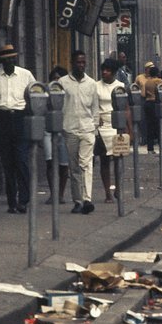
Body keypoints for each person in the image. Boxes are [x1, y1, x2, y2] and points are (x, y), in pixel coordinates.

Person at [0, 44, 35, 214]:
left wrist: (34, 122)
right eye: (5, 59)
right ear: (1, 61)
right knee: (7, 163)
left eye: (11, 58)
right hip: (1, 119)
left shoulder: (26, 75)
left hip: (20, 118)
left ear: (15, 59)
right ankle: (12, 201)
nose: (9, 61)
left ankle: (24, 200)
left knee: (21, 160)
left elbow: (36, 97)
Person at [60, 51, 99, 214]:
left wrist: (94, 128)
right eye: (78, 62)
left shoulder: (91, 84)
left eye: (83, 63)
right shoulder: (62, 82)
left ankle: (87, 199)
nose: (81, 65)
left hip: (87, 129)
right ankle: (77, 201)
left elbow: (95, 108)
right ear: (72, 63)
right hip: (70, 129)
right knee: (74, 167)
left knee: (86, 164)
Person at [95, 58, 128, 203]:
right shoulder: (96, 86)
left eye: (108, 70)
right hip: (102, 125)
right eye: (103, 70)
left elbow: (126, 108)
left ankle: (119, 188)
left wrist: (129, 129)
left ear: (113, 72)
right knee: (104, 160)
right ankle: (107, 192)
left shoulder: (120, 86)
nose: (104, 73)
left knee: (118, 159)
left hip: (117, 124)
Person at [43, 66, 69, 204]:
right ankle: (53, 193)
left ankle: (61, 194)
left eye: (59, 79)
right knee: (50, 161)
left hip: (63, 130)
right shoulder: (45, 94)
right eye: (54, 79)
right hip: (48, 130)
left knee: (64, 164)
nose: (56, 82)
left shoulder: (68, 94)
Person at [143, 66, 162, 153]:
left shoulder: (147, 82)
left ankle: (150, 148)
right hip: (156, 103)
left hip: (148, 103)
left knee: (150, 126)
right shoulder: (158, 81)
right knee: (159, 125)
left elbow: (144, 93)